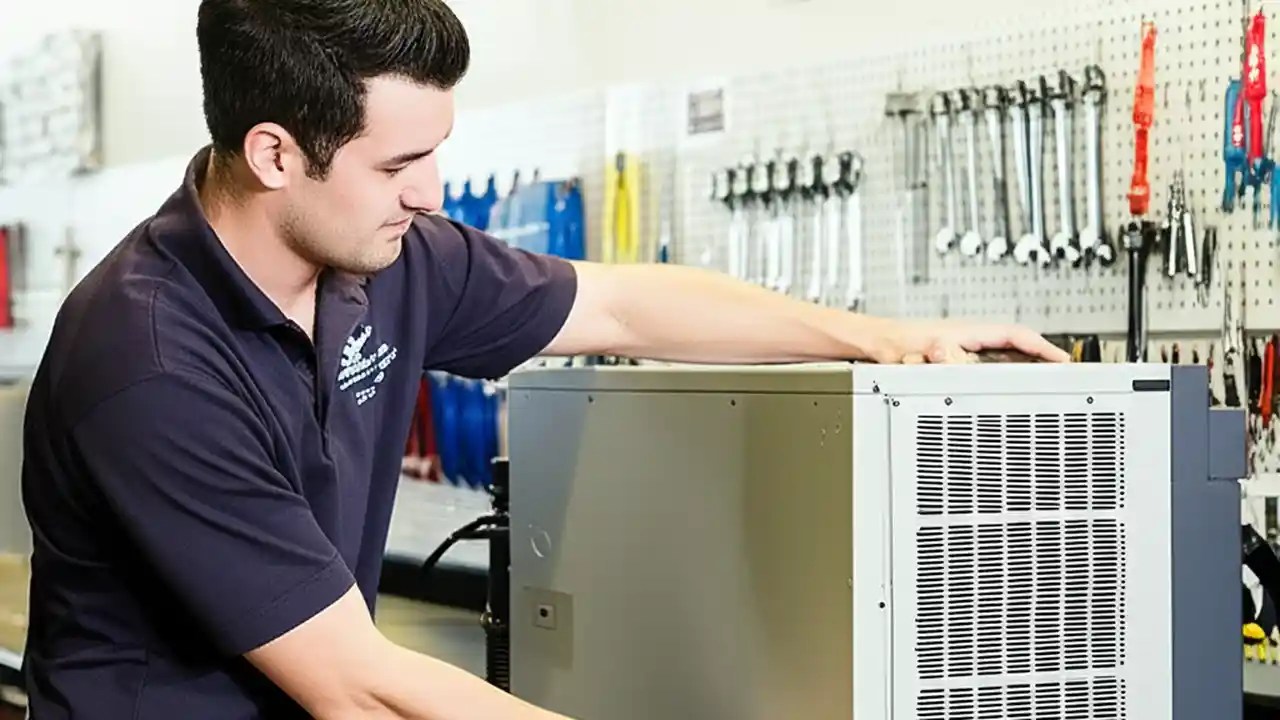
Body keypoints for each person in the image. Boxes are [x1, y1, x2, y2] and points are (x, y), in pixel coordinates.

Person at [18, 1, 1070, 718]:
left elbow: (615, 302)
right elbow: (358, 687)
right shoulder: (149, 360)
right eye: (398, 163)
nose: (431, 189)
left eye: (435, 149)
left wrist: (886, 340)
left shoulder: (390, 260)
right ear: (275, 153)